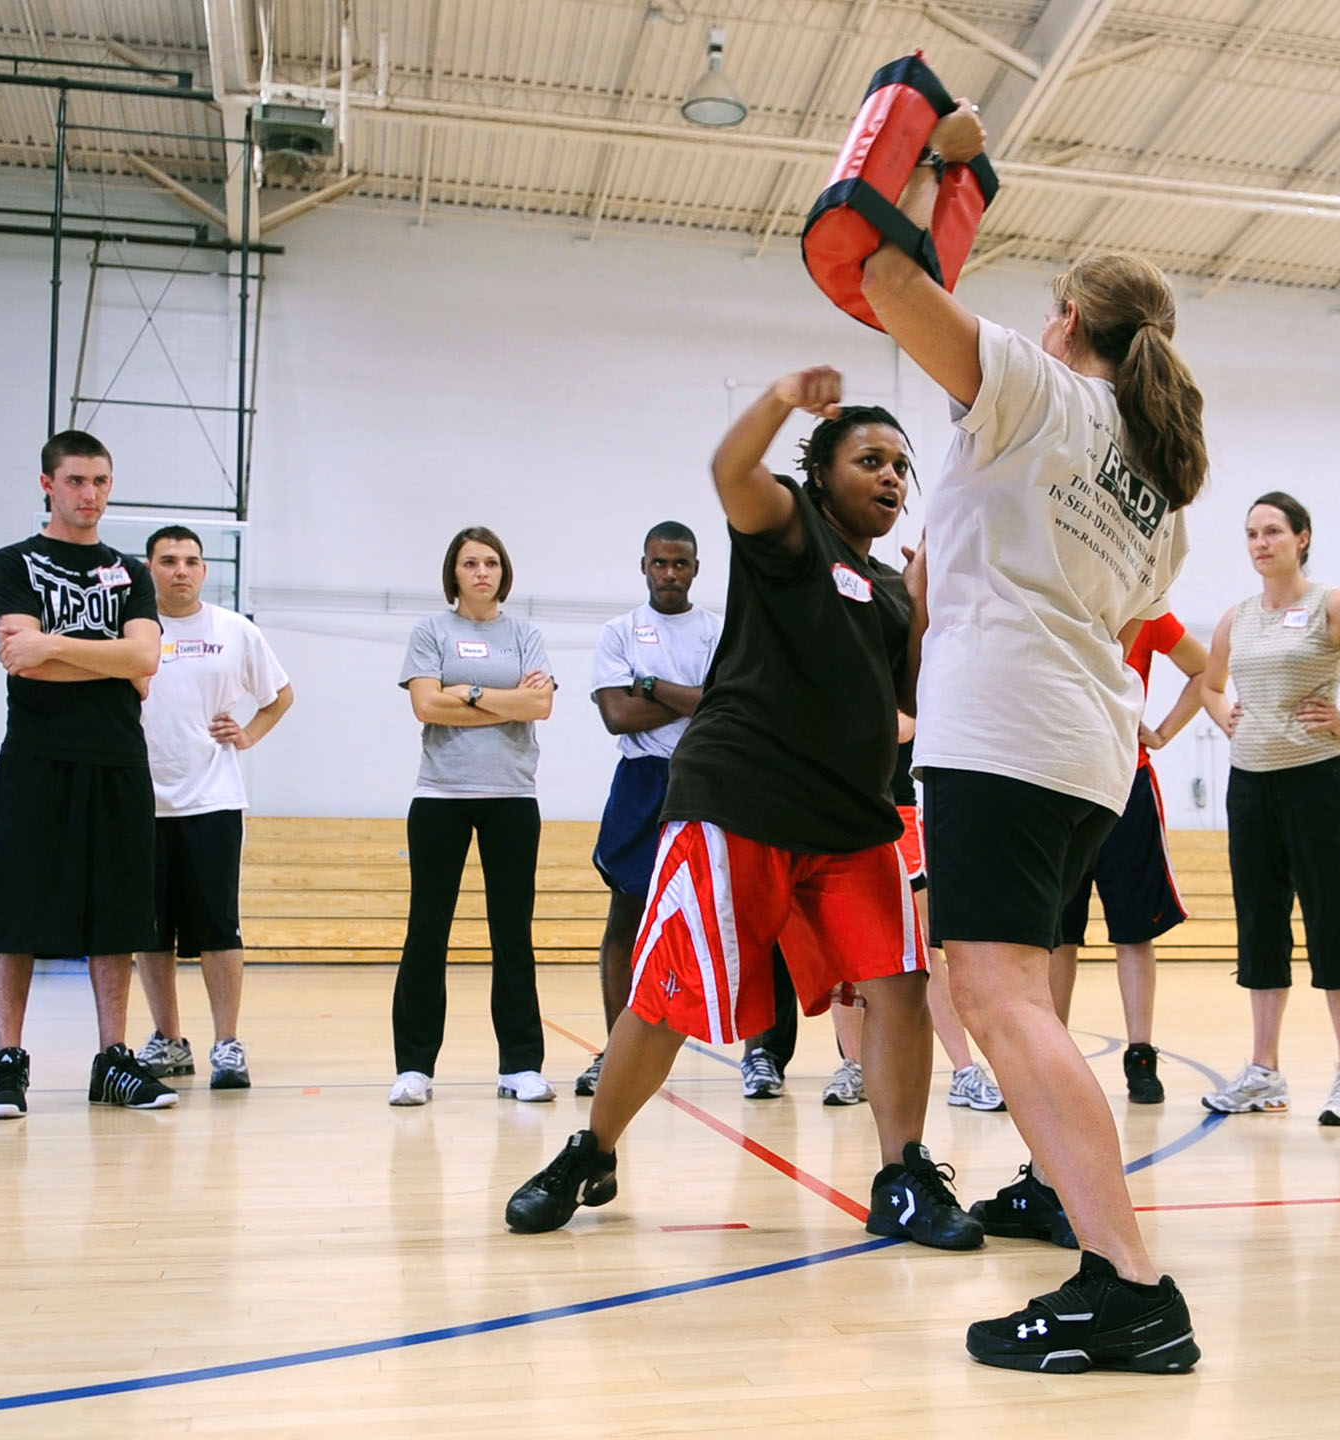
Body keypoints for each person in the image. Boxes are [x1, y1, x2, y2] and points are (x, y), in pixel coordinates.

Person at [862, 101, 1201, 1372]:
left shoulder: (1037, 389)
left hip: (1006, 726)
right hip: (1084, 753)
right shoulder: (1160, 485)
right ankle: (1088, 1230)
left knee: (997, 998)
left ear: (1068, 318)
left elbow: (885, 278)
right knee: (1021, 996)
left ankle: (1129, 1280)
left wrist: (944, 169)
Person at [504, 373, 981, 1255]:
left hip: (851, 818)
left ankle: (903, 1175)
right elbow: (731, 468)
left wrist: (923, 597)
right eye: (870, 460)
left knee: (900, 983)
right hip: (739, 803)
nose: (892, 479)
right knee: (668, 999)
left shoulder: (888, 587)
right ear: (820, 474)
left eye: (901, 468)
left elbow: (909, 695)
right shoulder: (790, 535)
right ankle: (591, 1150)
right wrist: (782, 397)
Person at [0, 430, 172, 1118]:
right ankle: (7, 1061)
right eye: (77, 481)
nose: (90, 495)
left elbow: (145, 660)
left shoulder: (131, 571)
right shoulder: (14, 562)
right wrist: (109, 655)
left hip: (117, 756)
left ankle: (113, 1059)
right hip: (36, 755)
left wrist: (54, 645)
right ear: (48, 485)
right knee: (17, 910)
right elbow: (21, 660)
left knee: (116, 910)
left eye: (101, 482)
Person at [1197, 493, 1340, 1126]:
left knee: (1330, 916)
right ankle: (1264, 1070)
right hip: (1248, 785)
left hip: (1314, 780)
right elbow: (1208, 684)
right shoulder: (1237, 617)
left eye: (1273, 532)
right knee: (1260, 923)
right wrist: (1223, 716)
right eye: (1251, 533)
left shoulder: (1331, 605)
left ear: (1302, 539)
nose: (1260, 543)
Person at [390, 527, 556, 1106]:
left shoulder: (525, 634)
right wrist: (501, 701)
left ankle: (520, 1065)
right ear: (454, 573)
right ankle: (413, 1067)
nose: (481, 571)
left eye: (490, 562)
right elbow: (425, 704)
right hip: (440, 797)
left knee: (513, 934)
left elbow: (541, 704)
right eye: (469, 563)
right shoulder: (431, 631)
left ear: (503, 571)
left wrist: (467, 693)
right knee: (427, 932)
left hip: (512, 798)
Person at [133, 526, 294, 1089]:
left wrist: (248, 734)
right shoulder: (131, 631)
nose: (181, 570)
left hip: (213, 799)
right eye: (169, 560)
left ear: (204, 570)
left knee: (218, 926)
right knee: (151, 929)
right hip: (139, 802)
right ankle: (168, 1039)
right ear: (149, 567)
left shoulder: (234, 631)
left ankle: (227, 1043)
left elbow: (280, 696)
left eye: (191, 561)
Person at [579, 521, 722, 1098]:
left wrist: (650, 685)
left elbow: (724, 705)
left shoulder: (719, 630)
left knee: (727, 921)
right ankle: (618, 1048)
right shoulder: (619, 632)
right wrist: (689, 698)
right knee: (626, 917)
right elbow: (617, 716)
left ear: (695, 568)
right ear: (644, 566)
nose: (670, 573)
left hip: (708, 778)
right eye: (659, 563)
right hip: (641, 781)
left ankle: (760, 1055)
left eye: (680, 563)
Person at [1048, 613, 1207, 1106]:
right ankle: (1048, 1058)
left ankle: (1141, 1056)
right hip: (1062, 784)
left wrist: (1161, 732)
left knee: (1135, 931)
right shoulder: (1062, 603)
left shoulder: (1149, 612)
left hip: (1126, 783)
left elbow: (1206, 670)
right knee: (1058, 935)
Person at [819, 719, 1007, 1113]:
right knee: (843, 950)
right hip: (831, 810)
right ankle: (853, 1065)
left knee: (925, 950)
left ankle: (964, 1070)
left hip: (893, 812)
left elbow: (904, 725)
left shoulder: (899, 662)